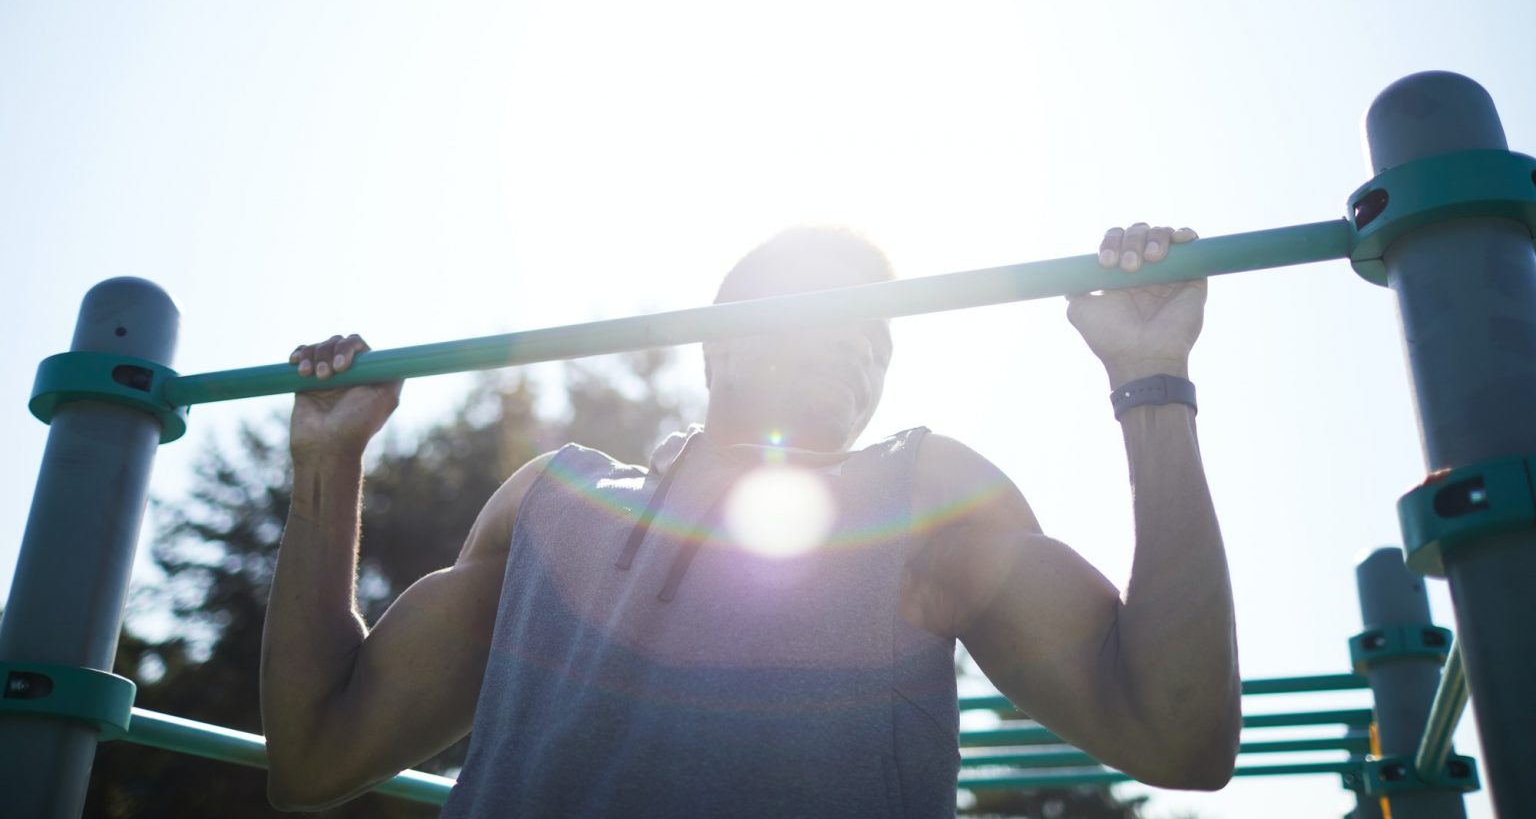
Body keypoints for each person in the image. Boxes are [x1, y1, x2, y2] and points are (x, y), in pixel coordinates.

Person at [260, 223, 1240, 816]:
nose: (858, 345)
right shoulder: (552, 502)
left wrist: (1152, 379)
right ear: (715, 346)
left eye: (876, 334)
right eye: (819, 311)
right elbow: (314, 758)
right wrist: (327, 462)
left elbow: (1177, 736)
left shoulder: (920, 495)